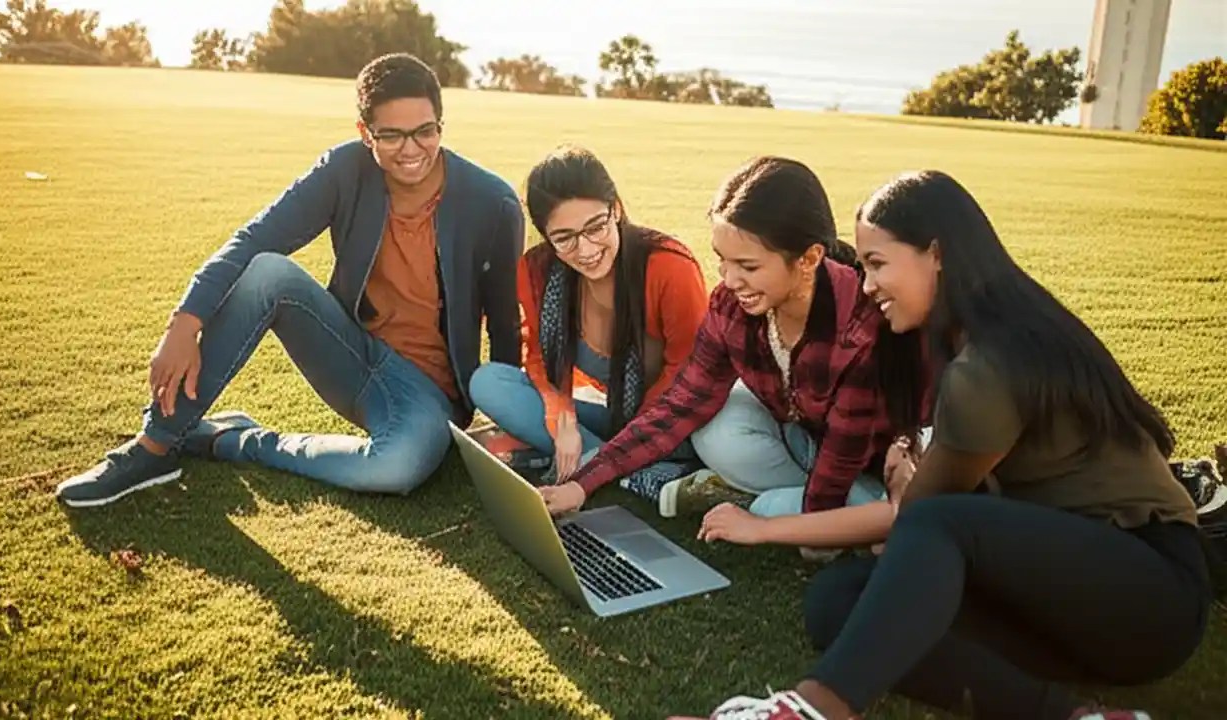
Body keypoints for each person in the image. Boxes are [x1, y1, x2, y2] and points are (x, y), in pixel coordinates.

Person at [674, 171, 1212, 720]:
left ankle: (809, 711)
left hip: (1145, 598)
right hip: (1057, 600)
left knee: (936, 525)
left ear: (937, 254)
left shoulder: (995, 361)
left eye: (878, 264)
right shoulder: (959, 341)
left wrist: (907, 488)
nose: (865, 286)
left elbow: (921, 522)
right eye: (862, 268)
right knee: (839, 601)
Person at [56, 54, 523, 507]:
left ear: (441, 124)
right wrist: (184, 323)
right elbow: (255, 238)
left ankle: (236, 440)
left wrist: (509, 431)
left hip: (429, 395)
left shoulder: (491, 202)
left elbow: (504, 324)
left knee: (393, 469)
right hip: (352, 355)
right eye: (392, 136)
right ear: (365, 134)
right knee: (268, 272)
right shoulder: (345, 170)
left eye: (425, 132)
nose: (412, 149)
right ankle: (154, 448)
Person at [539, 156, 930, 542]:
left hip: (877, 462)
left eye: (748, 266)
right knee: (715, 429)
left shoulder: (857, 328)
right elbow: (681, 404)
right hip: (805, 440)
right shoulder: (732, 306)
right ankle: (827, 512)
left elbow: (845, 454)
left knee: (771, 512)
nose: (729, 280)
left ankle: (854, 515)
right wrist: (582, 485)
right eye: (722, 261)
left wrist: (810, 531)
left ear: (809, 258)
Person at [469, 146, 708, 495]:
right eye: (564, 238)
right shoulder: (539, 271)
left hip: (668, 421)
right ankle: (607, 464)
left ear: (617, 210)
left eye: (595, 227)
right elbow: (537, 356)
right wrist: (560, 411)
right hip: (611, 417)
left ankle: (602, 464)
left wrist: (628, 444)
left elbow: (688, 375)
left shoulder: (668, 267)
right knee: (489, 381)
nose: (585, 250)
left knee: (709, 440)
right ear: (546, 236)